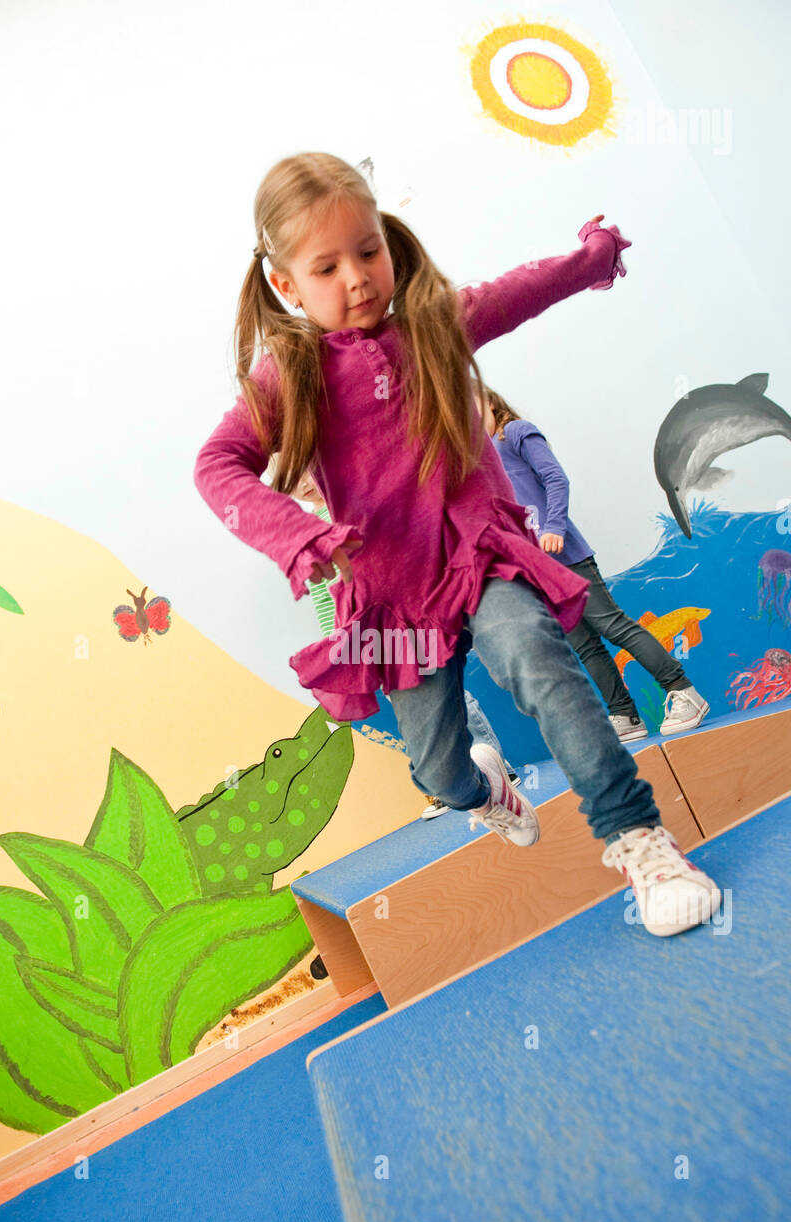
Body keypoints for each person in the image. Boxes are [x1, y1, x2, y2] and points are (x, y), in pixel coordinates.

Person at [194, 151, 721, 935]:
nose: (357, 278)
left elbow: (517, 293)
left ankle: (640, 840)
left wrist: (590, 258)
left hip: (478, 557)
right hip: (389, 593)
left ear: (388, 241)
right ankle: (487, 795)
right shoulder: (290, 375)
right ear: (285, 285)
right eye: (326, 267)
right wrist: (299, 537)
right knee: (438, 768)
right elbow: (216, 466)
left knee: (537, 657)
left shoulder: (431, 327)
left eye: (368, 251)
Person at [478, 387, 710, 741]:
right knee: (585, 645)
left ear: (491, 402)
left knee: (613, 625)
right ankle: (624, 714)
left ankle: (684, 692)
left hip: (563, 553)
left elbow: (555, 478)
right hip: (536, 570)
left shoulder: (515, 432)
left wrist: (554, 526)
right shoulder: (483, 459)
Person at [292, 469, 520, 818]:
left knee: (448, 696)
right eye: (292, 484)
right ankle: (454, 780)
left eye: (305, 473)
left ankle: (497, 765)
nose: (304, 486)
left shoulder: (350, 509)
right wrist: (338, 645)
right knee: (411, 710)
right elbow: (323, 598)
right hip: (368, 638)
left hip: (408, 621)